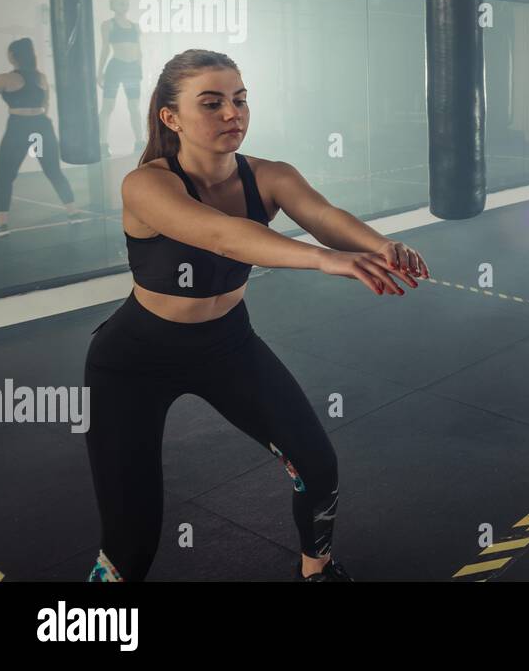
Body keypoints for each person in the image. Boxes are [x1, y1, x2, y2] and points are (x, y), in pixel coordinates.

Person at [84, 48, 429, 581]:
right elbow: (224, 236)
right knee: (132, 536)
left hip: (227, 346)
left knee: (318, 468)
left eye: (240, 100)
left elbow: (324, 216)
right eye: (212, 103)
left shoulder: (269, 175)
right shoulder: (146, 184)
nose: (232, 114)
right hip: (134, 361)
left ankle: (317, 570)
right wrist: (325, 260)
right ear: (170, 118)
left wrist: (380, 245)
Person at [0, 37, 78, 234]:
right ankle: (73, 211)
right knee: (53, 171)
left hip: (19, 129)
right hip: (41, 127)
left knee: (5, 176)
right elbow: (45, 105)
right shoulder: (41, 78)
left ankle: (0, 222)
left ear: (12, 56)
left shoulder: (5, 78)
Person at [97, 0, 146, 158]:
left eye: (125, 2)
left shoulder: (135, 26)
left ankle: (139, 142)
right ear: (113, 6)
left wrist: (140, 69)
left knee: (134, 107)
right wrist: (100, 71)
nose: (123, 5)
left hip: (132, 69)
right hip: (116, 67)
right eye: (119, 3)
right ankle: (103, 143)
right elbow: (105, 48)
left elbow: (139, 50)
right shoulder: (108, 25)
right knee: (108, 107)